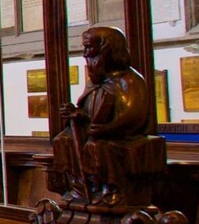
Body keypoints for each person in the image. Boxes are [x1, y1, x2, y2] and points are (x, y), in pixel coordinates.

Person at [50, 26, 163, 206]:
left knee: (98, 145)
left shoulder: (129, 80)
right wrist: (75, 113)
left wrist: (108, 128)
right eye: (84, 48)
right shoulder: (96, 82)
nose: (85, 54)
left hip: (121, 136)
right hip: (99, 131)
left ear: (107, 48)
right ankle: (79, 187)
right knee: (63, 139)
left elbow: (134, 115)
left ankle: (112, 189)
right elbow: (88, 112)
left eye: (89, 48)